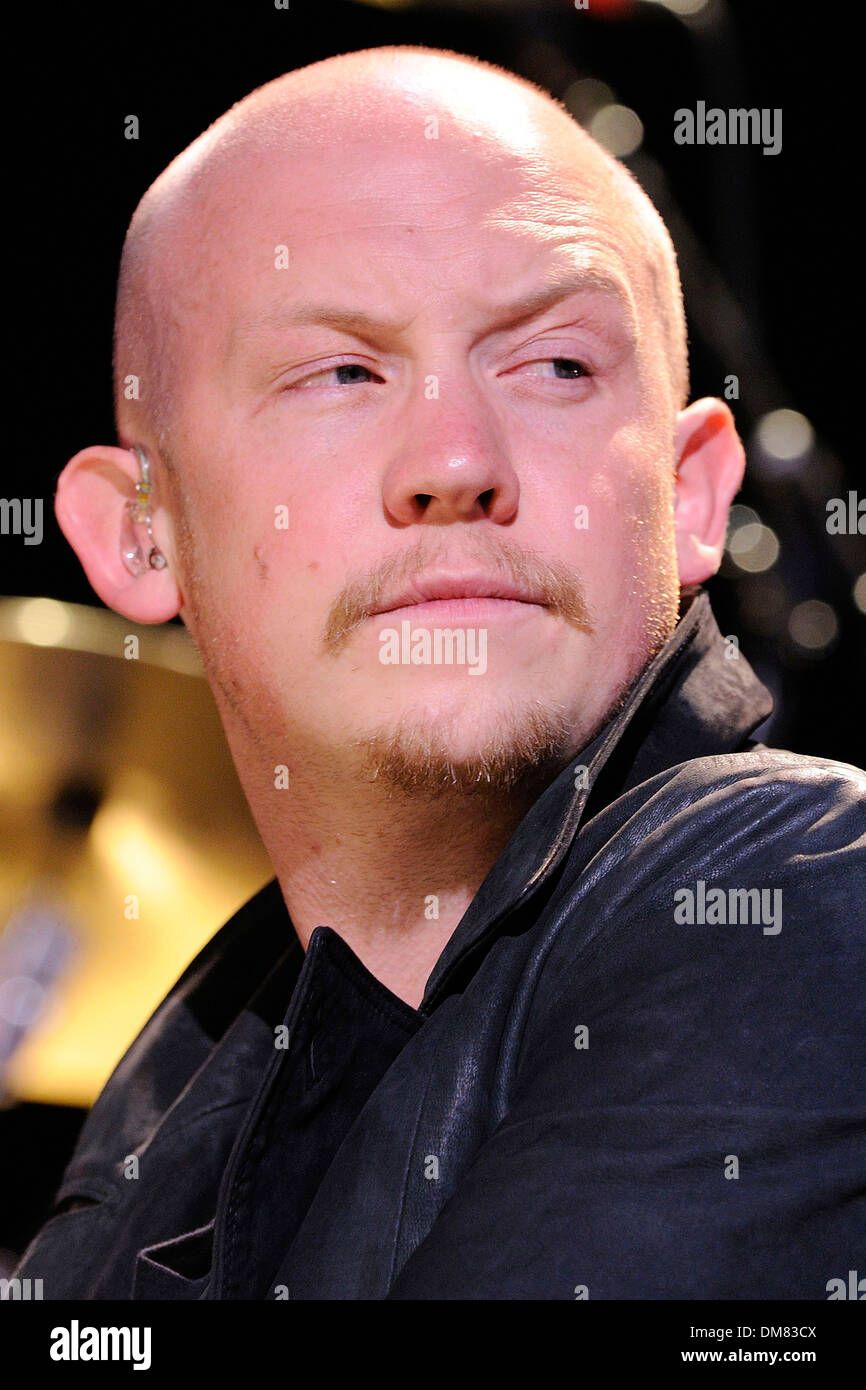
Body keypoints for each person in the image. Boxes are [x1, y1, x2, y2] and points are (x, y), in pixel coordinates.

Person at [12, 45, 864, 1300]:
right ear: (144, 531)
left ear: (687, 495)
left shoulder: (802, 886)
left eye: (554, 365)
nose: (456, 458)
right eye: (342, 373)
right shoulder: (168, 1091)